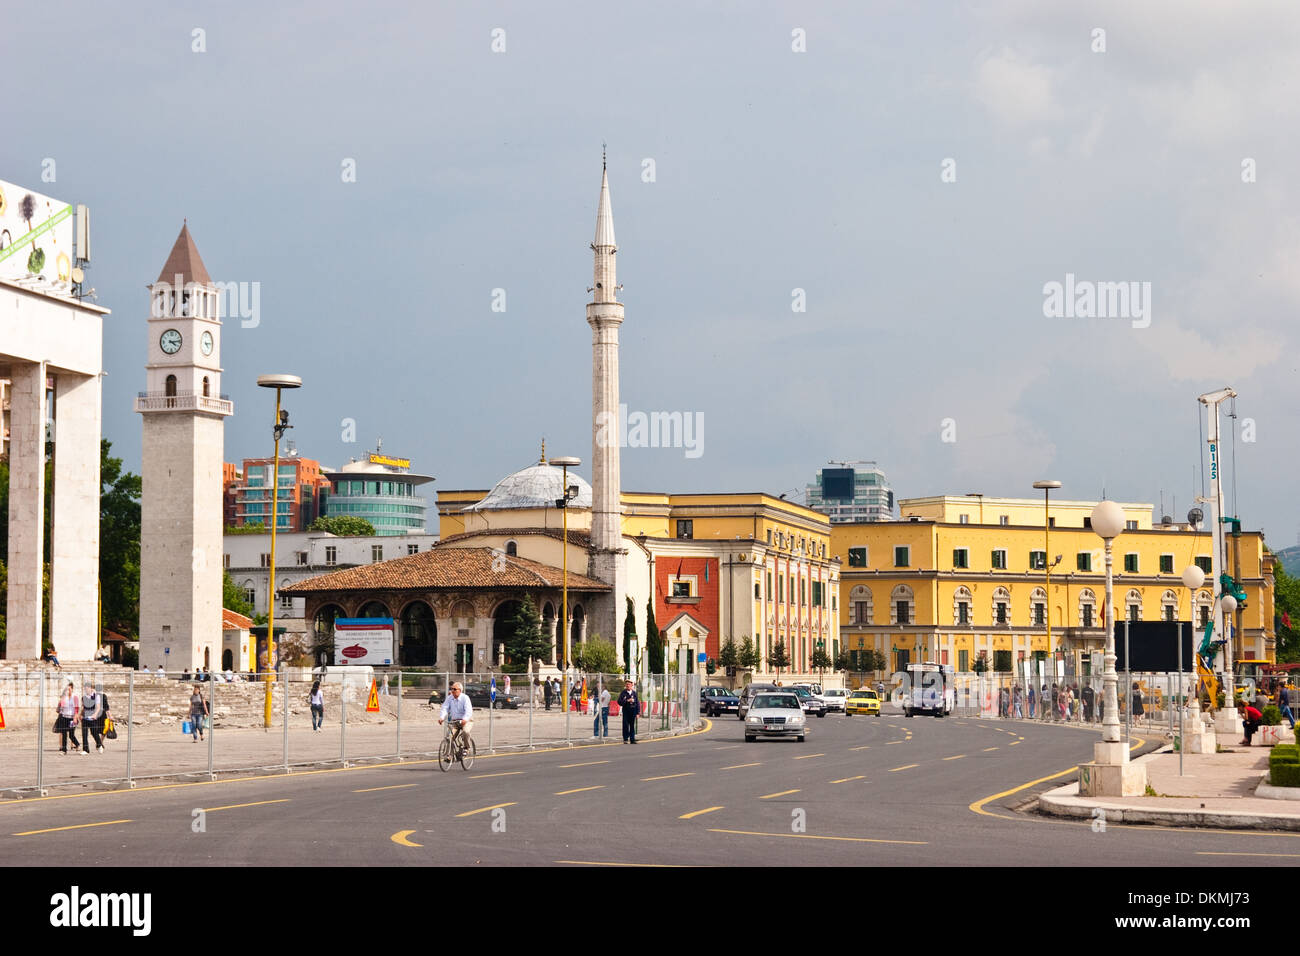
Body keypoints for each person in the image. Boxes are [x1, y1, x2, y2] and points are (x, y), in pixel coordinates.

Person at [438, 682, 475, 754]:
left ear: (460, 690)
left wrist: (465, 719)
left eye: (454, 689)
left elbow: (469, 711)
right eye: (451, 689)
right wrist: (442, 717)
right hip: (455, 722)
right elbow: (444, 708)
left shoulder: (465, 698)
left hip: (467, 721)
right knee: (449, 737)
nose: (452, 691)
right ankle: (449, 755)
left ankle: (466, 748)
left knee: (466, 731)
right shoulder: (449, 698)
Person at [80, 685, 109, 754]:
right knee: (84, 734)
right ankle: (85, 749)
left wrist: (95, 714)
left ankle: (99, 745)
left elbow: (98, 707)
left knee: (94, 733)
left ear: (91, 688)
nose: (86, 690)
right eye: (85, 689)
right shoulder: (83, 697)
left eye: (87, 688)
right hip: (85, 718)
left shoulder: (96, 696)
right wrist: (80, 715)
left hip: (93, 717)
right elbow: (83, 707)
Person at [55, 681, 81, 754]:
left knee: (71, 734)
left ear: (72, 689)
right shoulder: (64, 698)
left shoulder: (75, 697)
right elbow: (59, 709)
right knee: (64, 734)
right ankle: (64, 750)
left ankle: (77, 744)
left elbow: (76, 709)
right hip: (64, 717)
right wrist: (59, 704)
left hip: (72, 718)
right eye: (66, 689)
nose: (67, 691)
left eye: (69, 689)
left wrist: (75, 717)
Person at [617, 679, 640, 744]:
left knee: (632, 725)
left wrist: (638, 712)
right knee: (625, 725)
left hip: (633, 711)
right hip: (626, 711)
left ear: (632, 685)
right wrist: (627, 701)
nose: (628, 685)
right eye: (626, 684)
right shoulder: (623, 692)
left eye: (629, 684)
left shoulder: (634, 693)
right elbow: (619, 702)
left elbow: (637, 703)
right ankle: (625, 739)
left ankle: (632, 739)